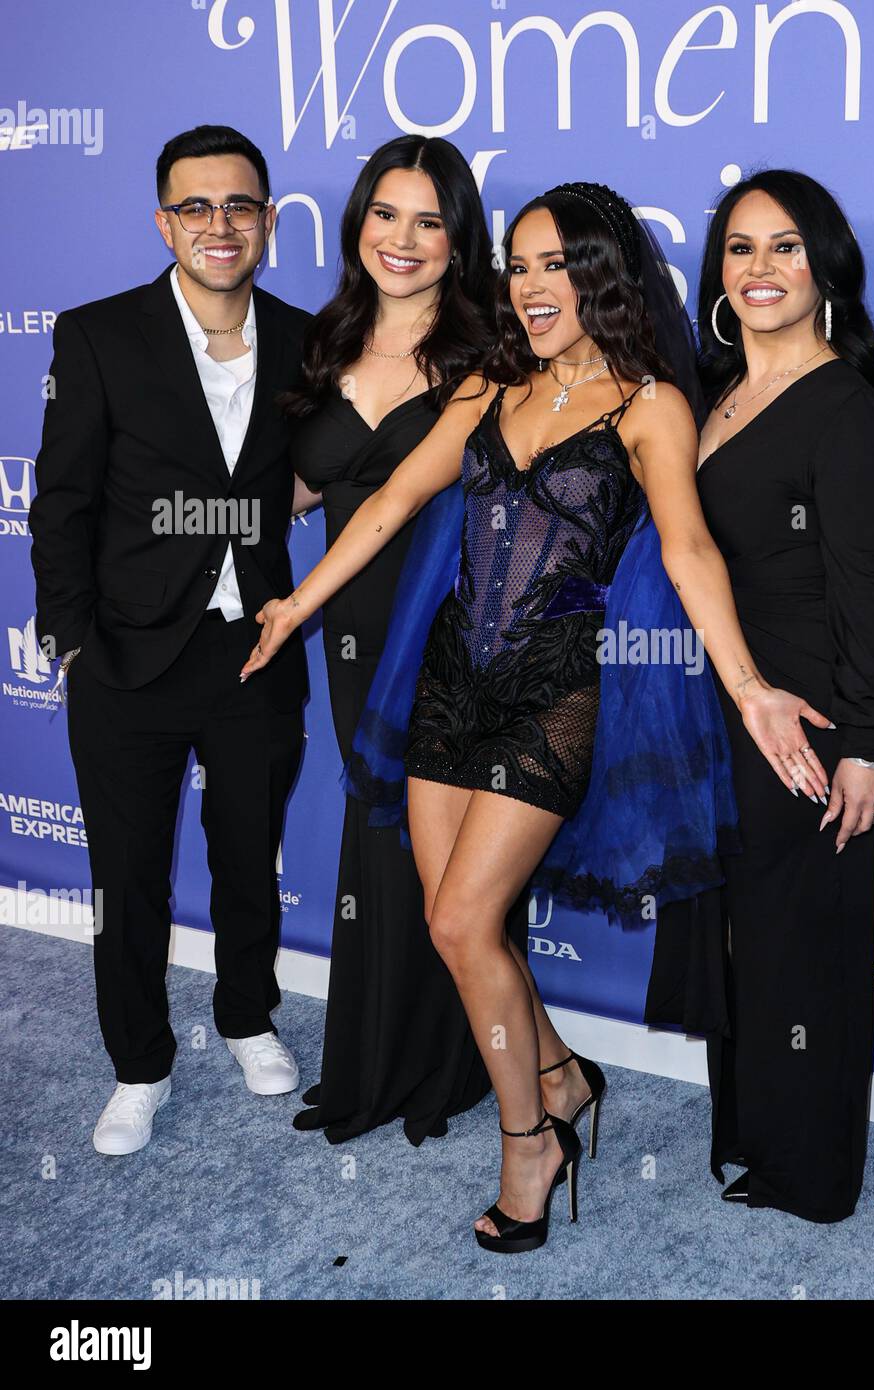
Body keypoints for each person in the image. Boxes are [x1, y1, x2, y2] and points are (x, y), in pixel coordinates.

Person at [241, 182, 823, 1253]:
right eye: (517, 264)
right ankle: (559, 1070)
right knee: (451, 919)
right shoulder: (487, 379)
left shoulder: (650, 402)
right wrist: (294, 606)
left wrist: (747, 687)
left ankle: (532, 1142)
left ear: (601, 274)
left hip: (554, 695)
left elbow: (689, 552)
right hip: (448, 682)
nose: (530, 285)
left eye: (555, 264)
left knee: (465, 924)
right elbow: (388, 504)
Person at [29, 125, 311, 1154]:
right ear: (165, 222)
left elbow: (303, 476)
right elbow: (58, 504)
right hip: (128, 658)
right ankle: (140, 1062)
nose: (220, 225)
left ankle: (245, 1015)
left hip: (254, 650)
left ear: (268, 221)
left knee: (247, 855)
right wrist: (72, 640)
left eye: (239, 205)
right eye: (196, 207)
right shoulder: (102, 335)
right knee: (131, 873)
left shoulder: (298, 338)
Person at [658, 169, 874, 1223]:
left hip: (806, 716)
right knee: (741, 937)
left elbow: (869, 588)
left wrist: (868, 742)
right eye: (742, 248)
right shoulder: (714, 390)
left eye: (786, 247)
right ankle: (755, 1132)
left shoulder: (842, 407)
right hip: (720, 707)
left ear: (826, 269)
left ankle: (812, 1173)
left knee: (804, 942)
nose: (762, 269)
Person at [283, 136, 507, 1147]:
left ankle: (444, 1068)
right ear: (358, 223)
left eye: (429, 220)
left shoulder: (486, 356)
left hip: (444, 635)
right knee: (373, 838)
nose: (403, 239)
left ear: (459, 241)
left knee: (442, 865)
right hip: (345, 635)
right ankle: (370, 1066)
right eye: (385, 213)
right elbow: (297, 489)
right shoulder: (321, 342)